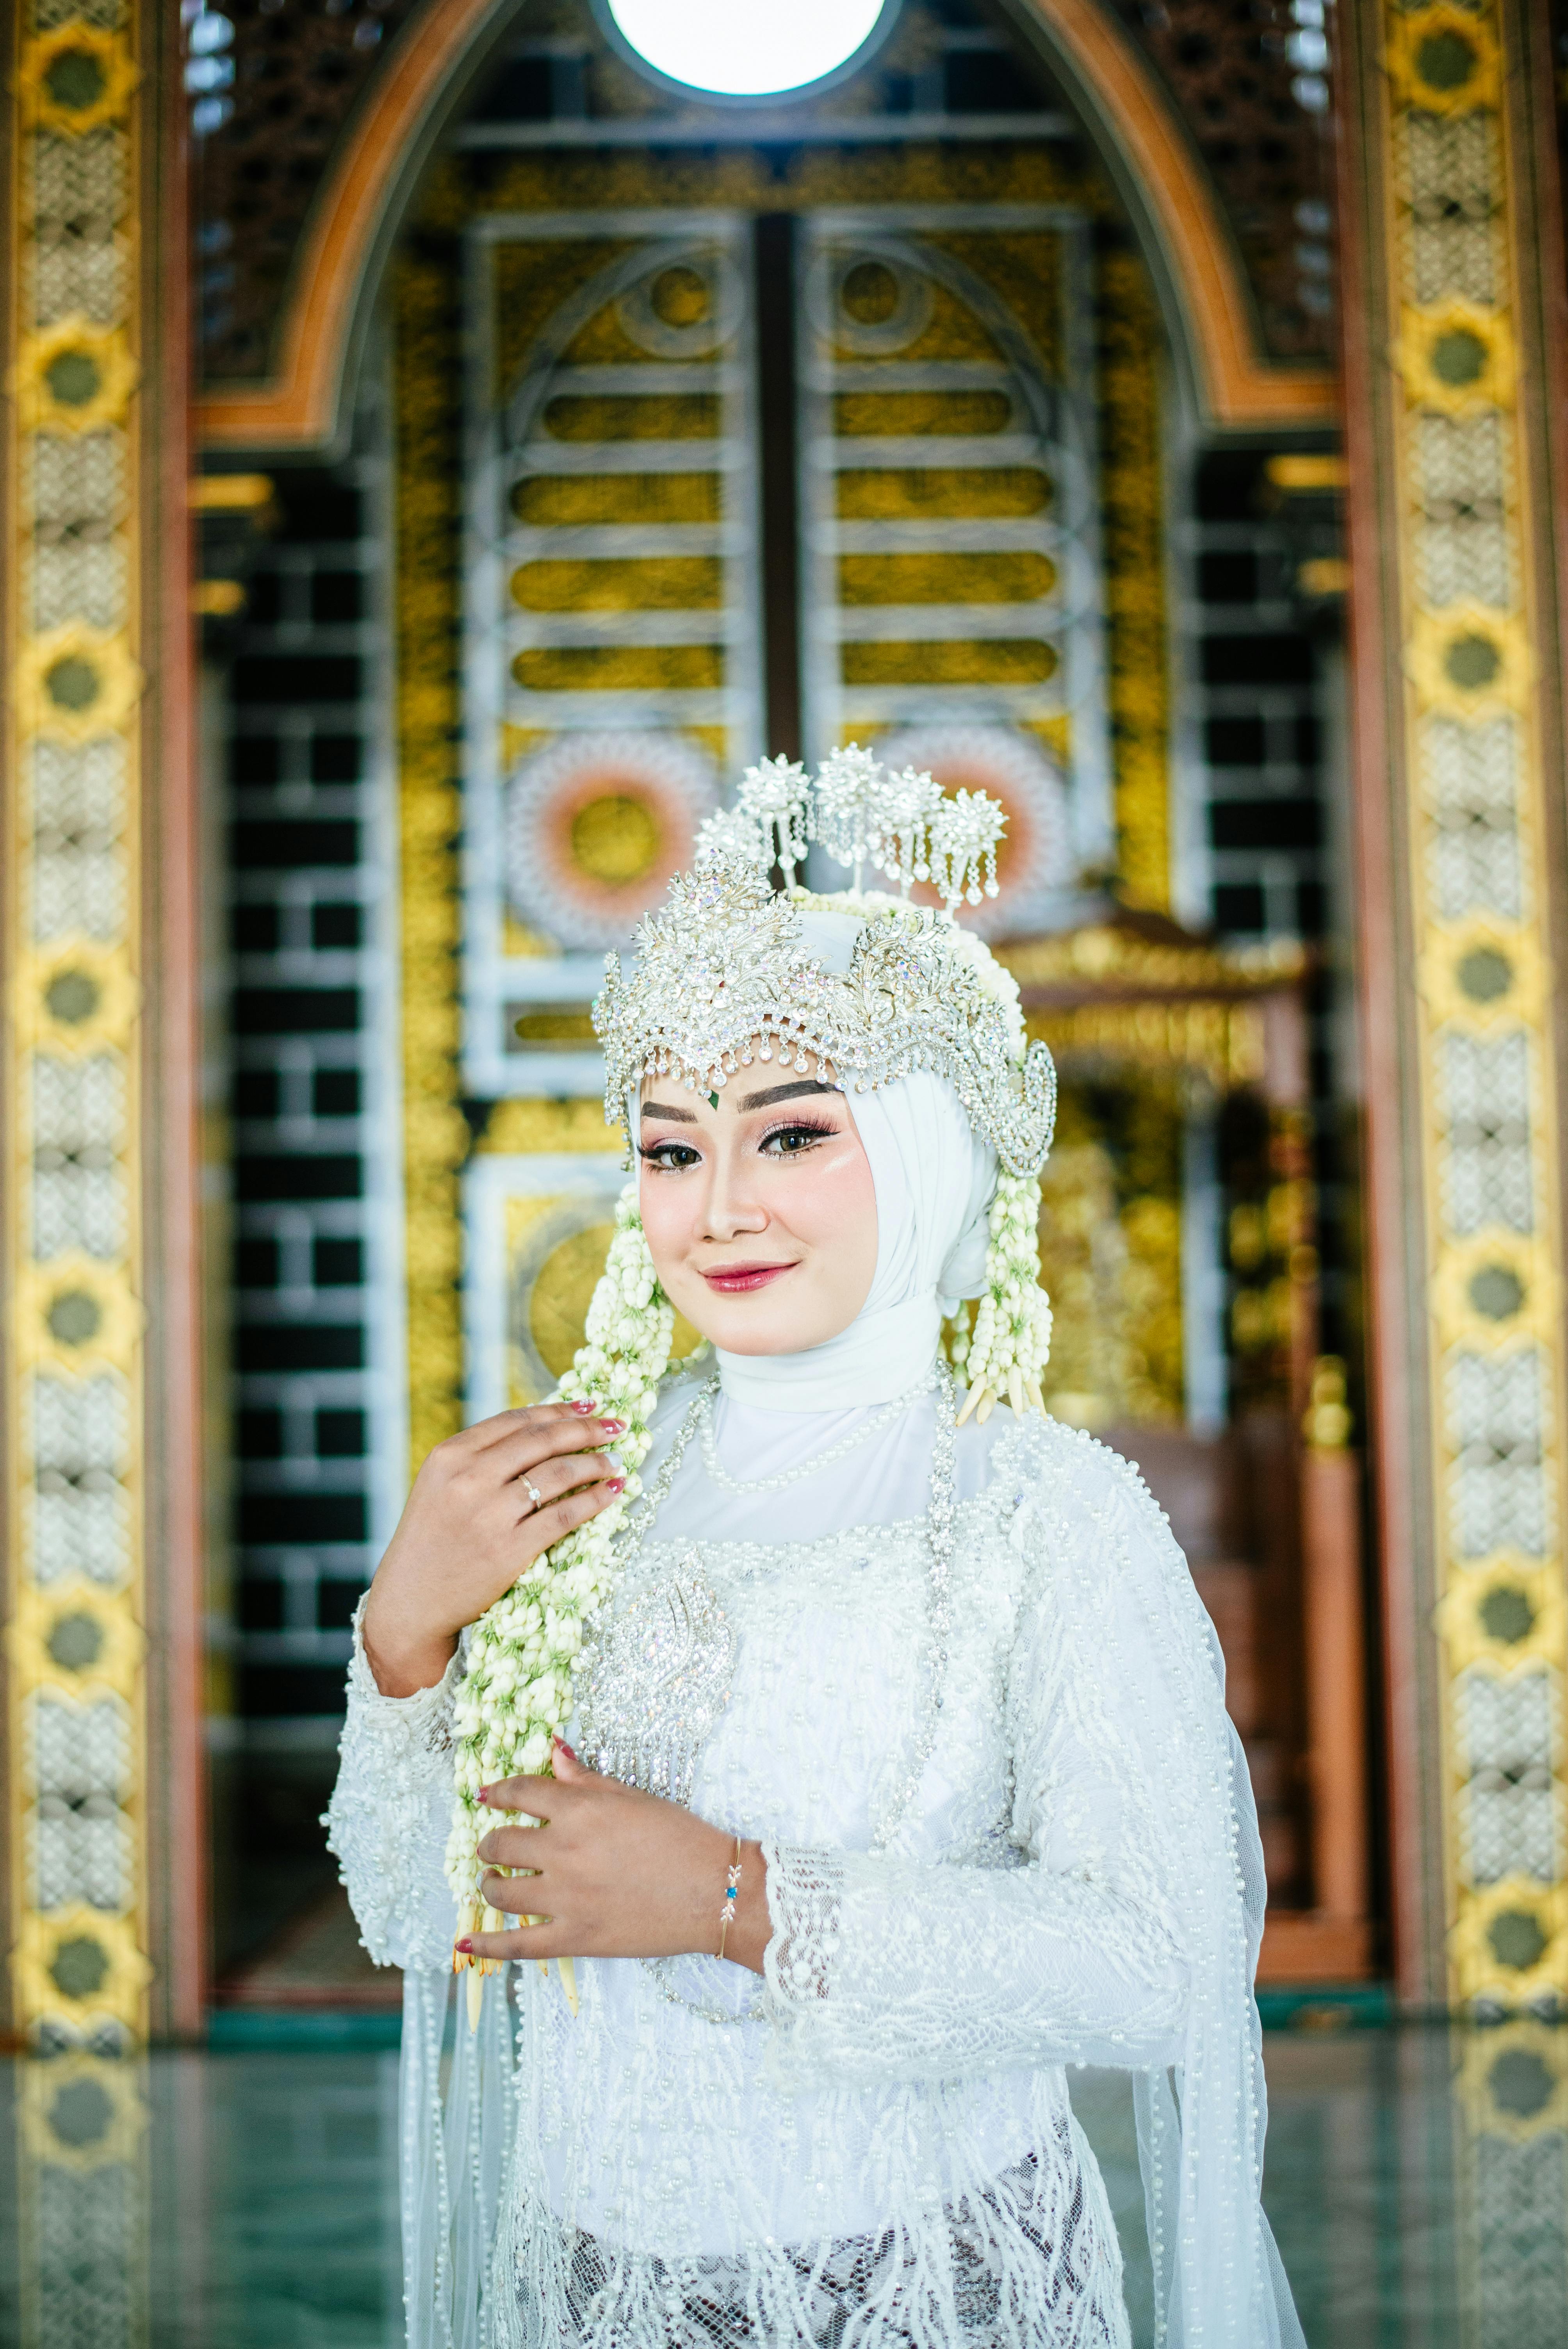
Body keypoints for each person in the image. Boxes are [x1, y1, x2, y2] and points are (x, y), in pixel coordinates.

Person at [327, 754, 1304, 2349]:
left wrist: (735, 1899)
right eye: (669, 1150)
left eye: (788, 1137)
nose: (717, 1209)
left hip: (928, 2283)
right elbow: (413, 1911)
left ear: (927, 1149)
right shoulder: (578, 1484)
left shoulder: (1043, 1514)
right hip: (587, 2289)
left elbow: (1156, 1967)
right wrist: (404, 1636)